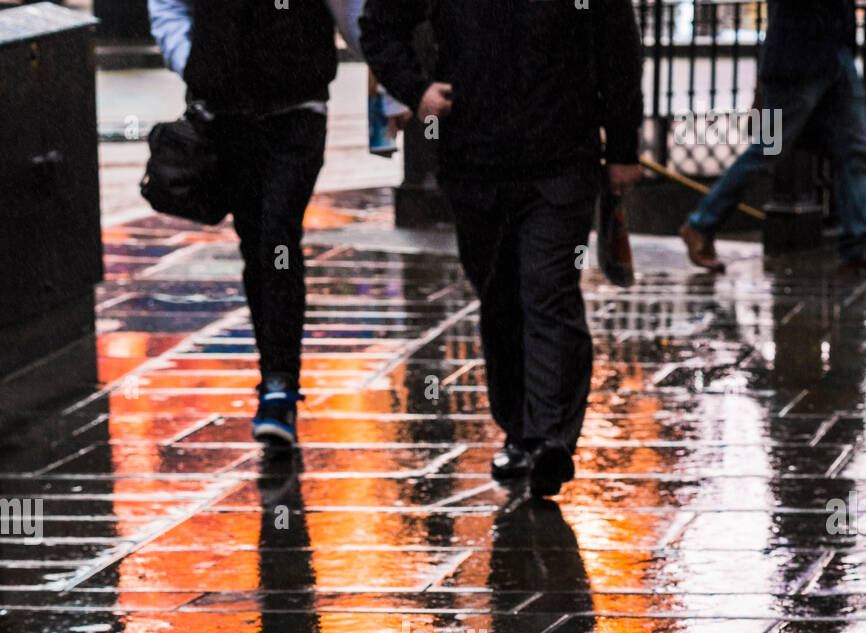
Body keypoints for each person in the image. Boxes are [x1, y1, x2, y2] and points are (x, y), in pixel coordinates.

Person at [359, 0, 644, 497]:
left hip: (563, 158)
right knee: (501, 297)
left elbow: (619, 45)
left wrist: (623, 146)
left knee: (549, 289)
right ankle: (520, 429)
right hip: (475, 161)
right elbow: (379, 25)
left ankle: (550, 437)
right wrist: (417, 90)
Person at [147, 0, 406, 447]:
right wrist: (192, 60)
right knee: (256, 242)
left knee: (277, 234)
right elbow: (168, 5)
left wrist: (394, 85)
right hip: (227, 116)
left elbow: (355, 15)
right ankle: (274, 379)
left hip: (297, 112)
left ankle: (280, 385)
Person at [681, 0, 866, 273]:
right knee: (767, 150)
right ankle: (701, 224)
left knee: (855, 149)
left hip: (834, 54)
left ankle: (857, 244)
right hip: (797, 58)